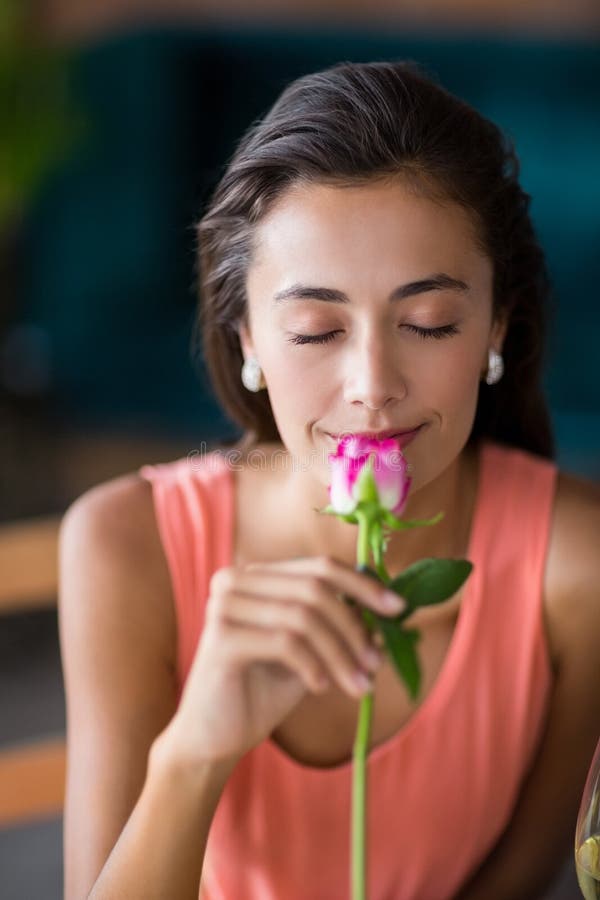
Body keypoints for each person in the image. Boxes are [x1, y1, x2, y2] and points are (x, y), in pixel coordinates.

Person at [58, 60, 600, 900]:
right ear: (246, 340)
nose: (372, 385)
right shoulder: (124, 547)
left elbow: (529, 875)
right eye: (315, 330)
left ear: (497, 323)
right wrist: (193, 754)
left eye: (429, 322)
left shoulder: (578, 565)